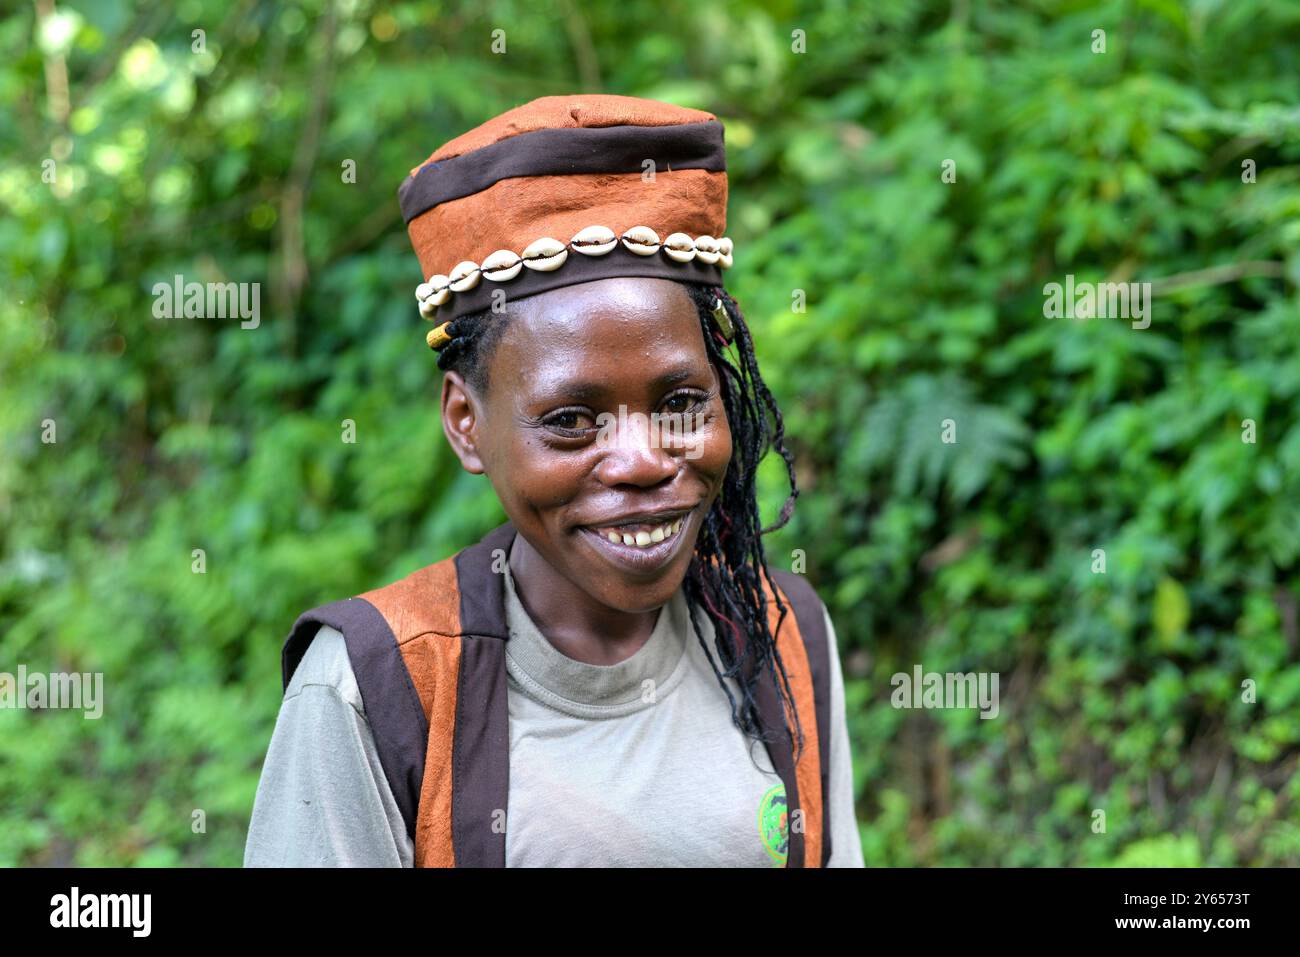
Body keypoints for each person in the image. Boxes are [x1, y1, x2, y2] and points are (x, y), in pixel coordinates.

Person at [244, 93, 865, 867]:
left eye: (679, 403)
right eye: (572, 419)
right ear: (467, 422)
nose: (641, 460)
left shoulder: (781, 633)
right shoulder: (376, 688)